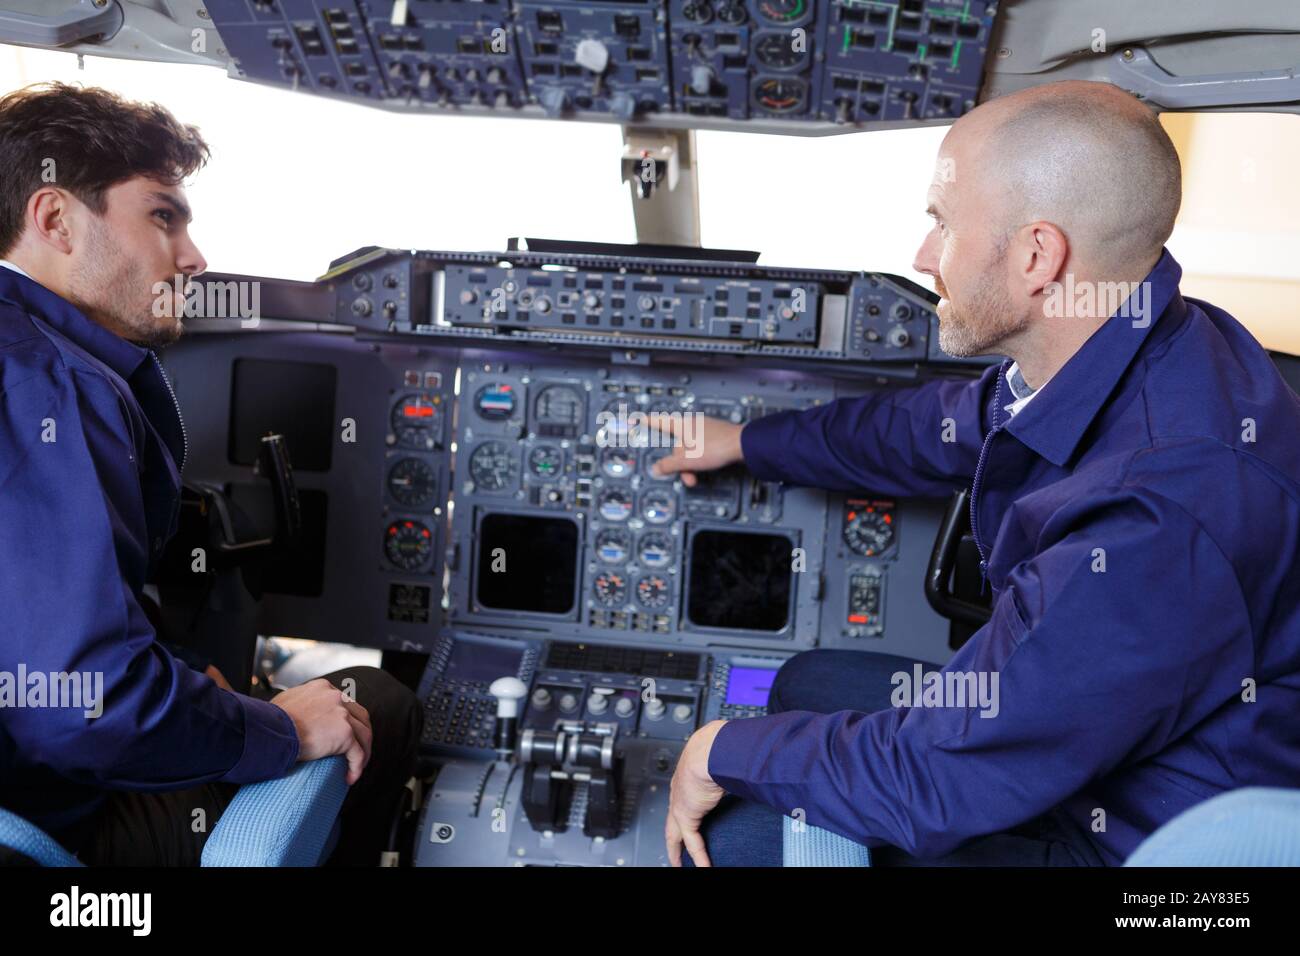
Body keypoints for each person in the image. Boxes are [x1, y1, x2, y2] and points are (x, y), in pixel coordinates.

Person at [653, 79, 1300, 867]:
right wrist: (748, 443)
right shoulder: (1143, 339)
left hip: (1132, 840)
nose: (922, 257)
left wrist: (719, 751)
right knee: (808, 685)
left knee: (733, 836)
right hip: (1101, 747)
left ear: (1037, 255)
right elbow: (930, 428)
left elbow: (939, 779)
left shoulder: (1165, 513)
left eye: (942, 222)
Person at [0, 82, 421, 866]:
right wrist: (281, 728)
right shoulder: (52, 385)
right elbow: (82, 705)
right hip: (47, 822)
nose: (195, 257)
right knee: (374, 700)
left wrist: (193, 687)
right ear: (55, 219)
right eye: (164, 215)